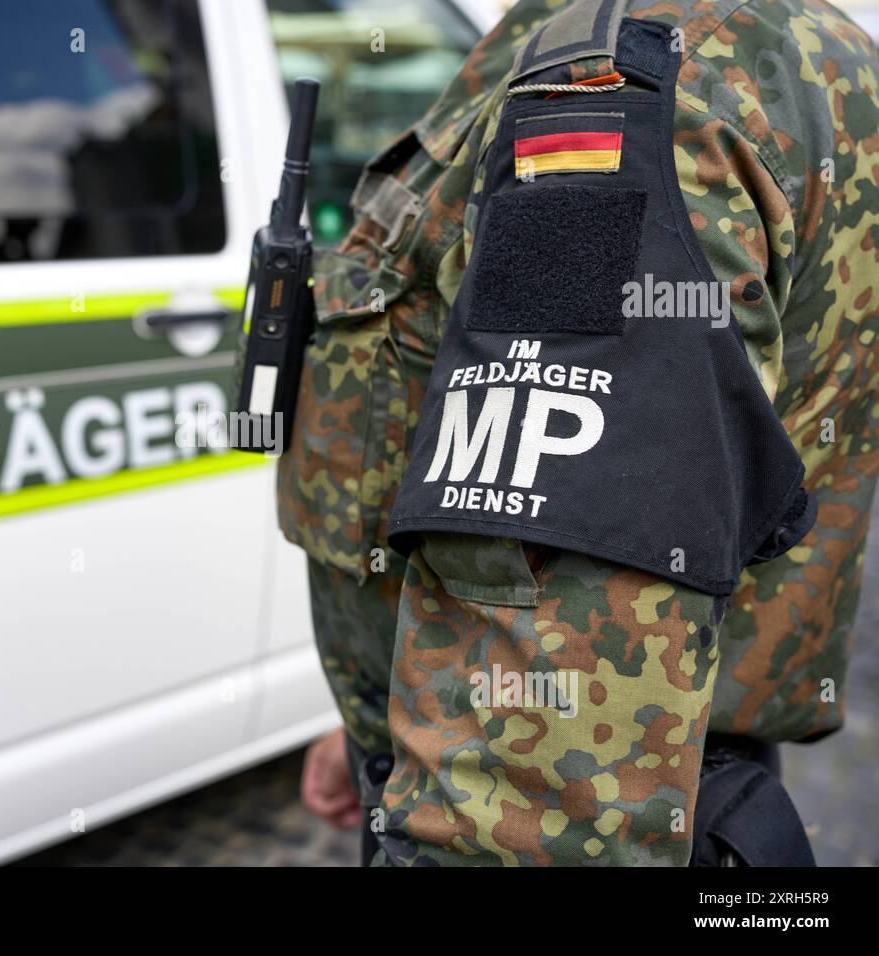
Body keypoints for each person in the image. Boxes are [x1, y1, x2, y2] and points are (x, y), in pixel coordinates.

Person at [290, 0, 879, 866]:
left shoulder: (628, 81)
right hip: (632, 776)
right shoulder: (811, 46)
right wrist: (367, 721)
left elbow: (548, 762)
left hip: (555, 808)